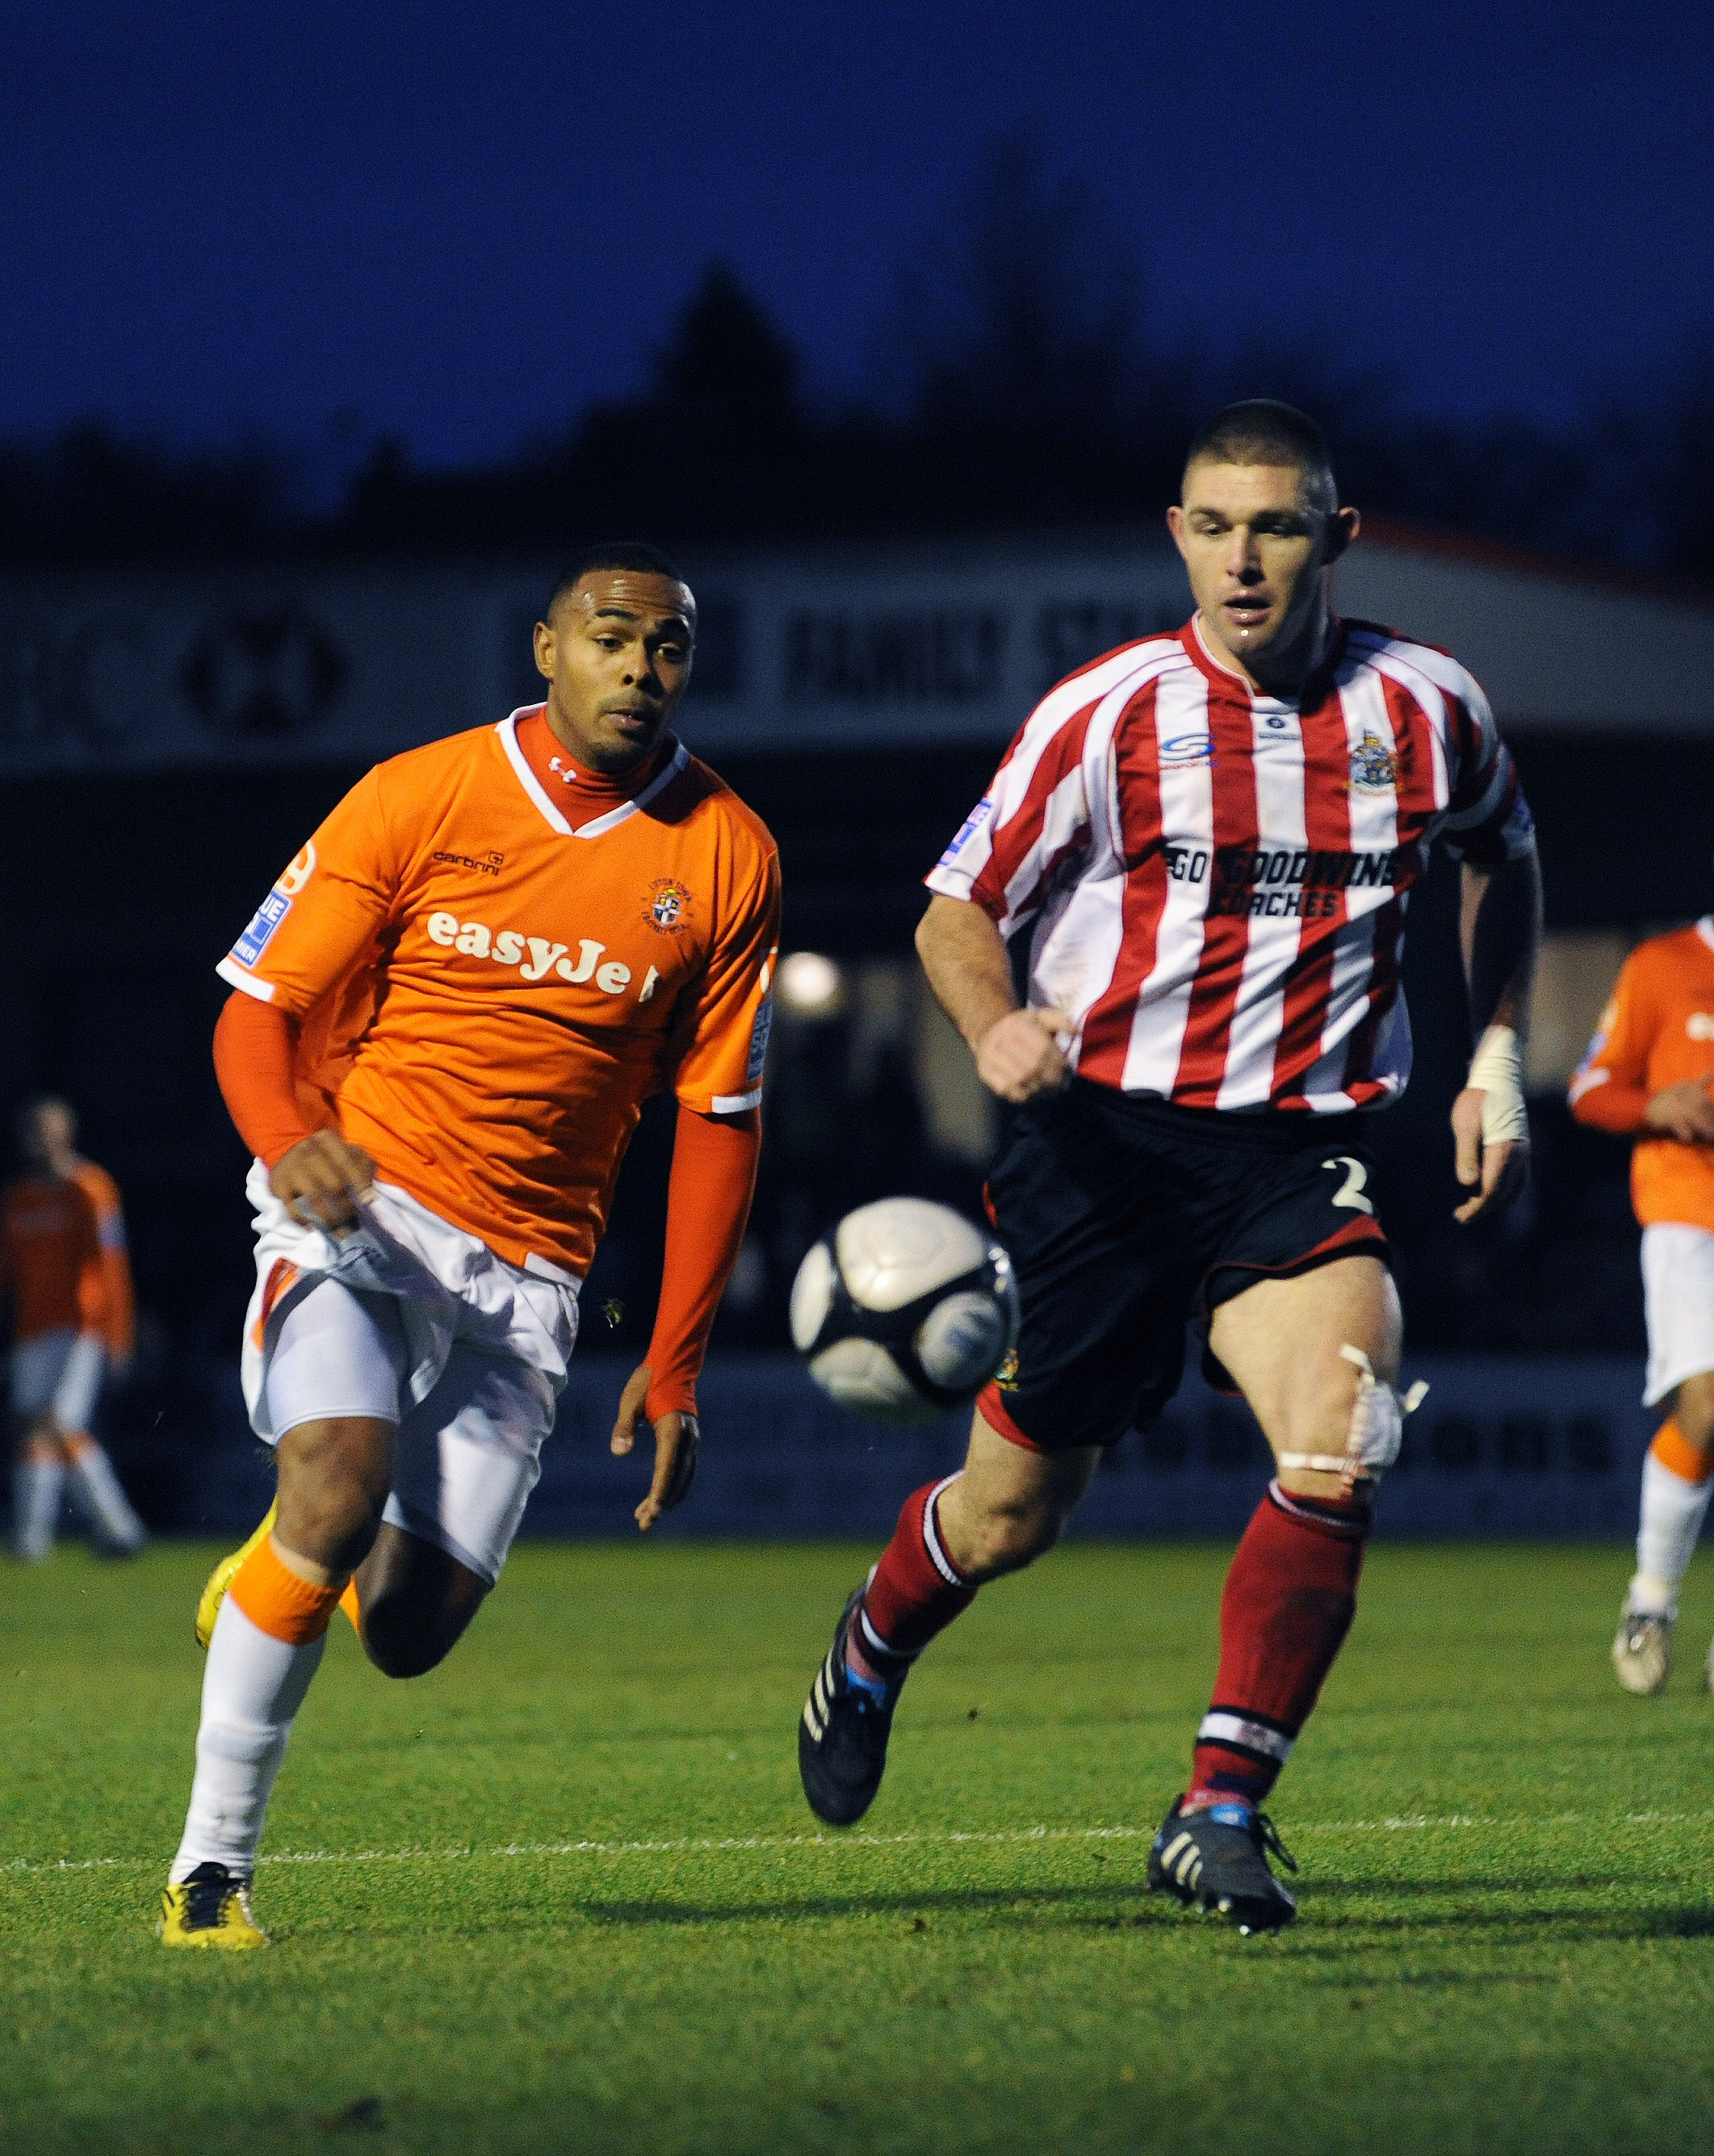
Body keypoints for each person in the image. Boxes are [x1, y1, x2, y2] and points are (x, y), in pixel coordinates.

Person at [796, 401, 1541, 1933]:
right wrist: (995, 1027)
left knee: (1342, 1434)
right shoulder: (1108, 717)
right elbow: (954, 909)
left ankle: (1216, 1807)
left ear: (1335, 538)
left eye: (1275, 526)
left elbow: (1500, 854)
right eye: (1212, 526)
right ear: (1175, 537)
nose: (1241, 560)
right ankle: (869, 1647)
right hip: (1105, 1153)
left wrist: (1493, 1060)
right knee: (1013, 1513)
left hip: (1298, 1150)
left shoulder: (1424, 706)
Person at [158, 543, 779, 1949]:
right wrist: (283, 1142)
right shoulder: (418, 793)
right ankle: (211, 1876)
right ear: (547, 648)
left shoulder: (728, 852)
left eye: (670, 644)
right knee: (338, 1478)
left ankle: (274, 1570)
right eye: (612, 636)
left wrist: (675, 1364)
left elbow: (719, 1120)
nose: (640, 666)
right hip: (359, 1218)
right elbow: (254, 1014)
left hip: (533, 1277)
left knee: (407, 1633)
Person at [1569, 921, 1714, 1692]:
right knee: (1706, 1407)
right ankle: (1649, 1603)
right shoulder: (1664, 966)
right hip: (1688, 1215)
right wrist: (1657, 1105)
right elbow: (1590, 1090)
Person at [2, 1096, 145, 1560]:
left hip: (80, 1327)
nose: (40, 1141)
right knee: (35, 1431)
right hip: (30, 1330)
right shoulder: (19, 1198)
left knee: (62, 1425)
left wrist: (119, 1332)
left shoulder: (90, 1188)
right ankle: (34, 1541)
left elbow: (111, 1264)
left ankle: (119, 1527)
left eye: (48, 1131)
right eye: (33, 1132)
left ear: (67, 1134)